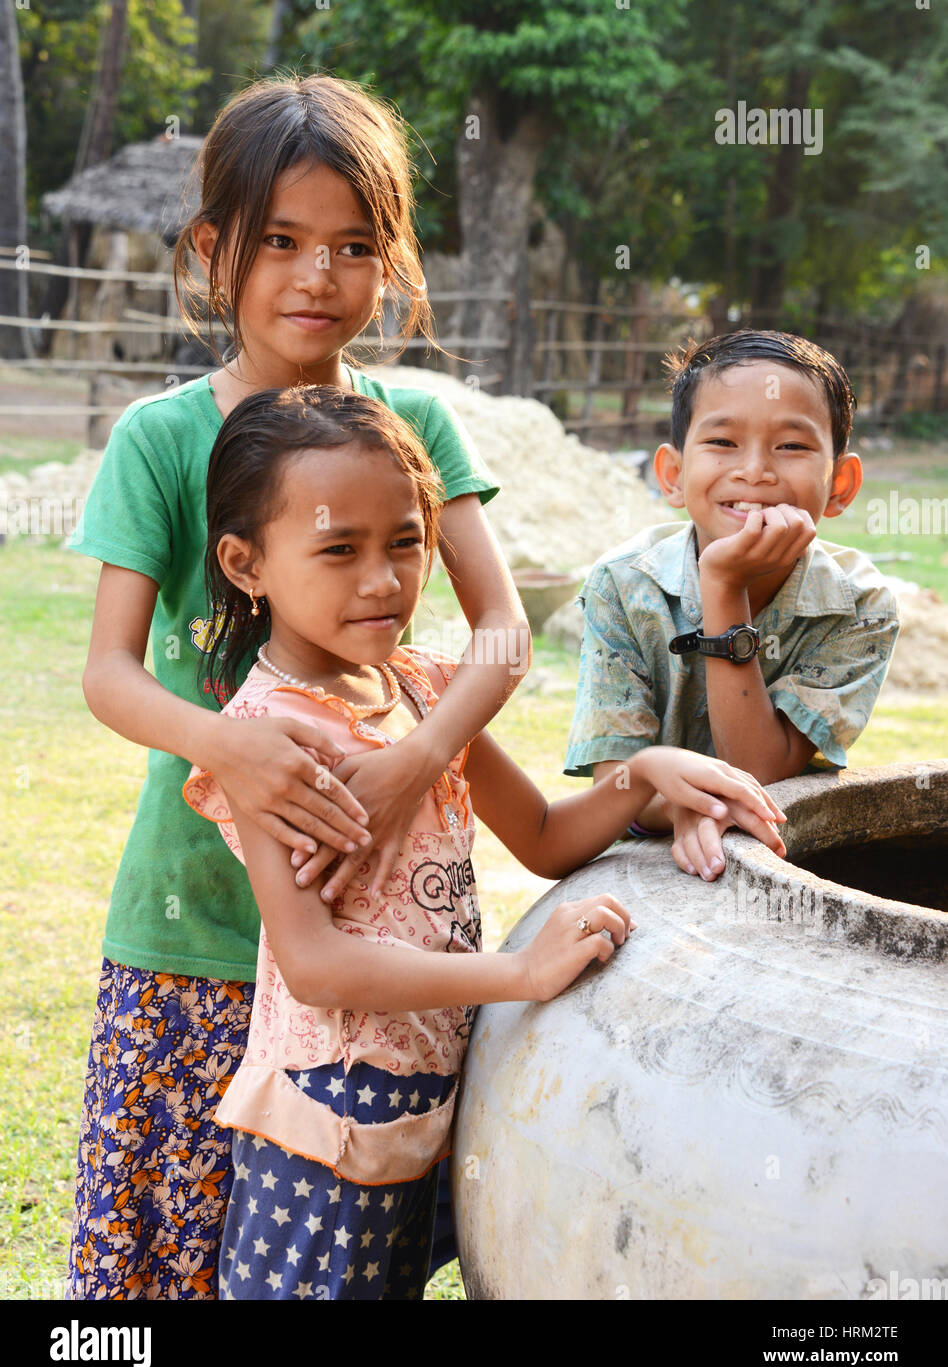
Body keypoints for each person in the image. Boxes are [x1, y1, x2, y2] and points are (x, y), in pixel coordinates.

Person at [66, 73, 532, 1300]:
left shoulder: (415, 420)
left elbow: (499, 631)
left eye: (352, 246)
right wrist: (233, 747)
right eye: (281, 241)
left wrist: (411, 763)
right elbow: (110, 674)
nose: (317, 276)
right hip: (197, 934)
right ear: (215, 247)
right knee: (157, 1267)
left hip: (372, 950)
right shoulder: (163, 441)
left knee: (335, 1265)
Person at [182, 383, 788, 1300]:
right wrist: (520, 976)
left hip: (440, 1096)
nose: (383, 580)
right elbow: (315, 965)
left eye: (406, 542)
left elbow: (543, 835)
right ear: (246, 562)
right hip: (330, 1122)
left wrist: (648, 770)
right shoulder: (269, 739)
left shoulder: (424, 687)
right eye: (338, 550)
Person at [564, 329, 900, 882]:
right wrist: (682, 807)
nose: (755, 471)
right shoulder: (624, 585)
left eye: (791, 446)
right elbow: (617, 786)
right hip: (643, 863)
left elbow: (758, 772)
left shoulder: (860, 605)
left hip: (786, 861)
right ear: (673, 475)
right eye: (723, 443)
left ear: (840, 484)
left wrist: (721, 585)